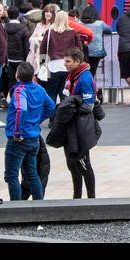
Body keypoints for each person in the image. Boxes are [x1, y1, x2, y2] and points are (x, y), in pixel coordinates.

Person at [49, 47, 102, 198]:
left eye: (68, 61)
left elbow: (88, 105)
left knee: (84, 164)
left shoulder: (84, 78)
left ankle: (91, 198)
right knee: (72, 164)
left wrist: (70, 109)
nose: (65, 64)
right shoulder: (72, 75)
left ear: (77, 61)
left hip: (81, 128)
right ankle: (76, 196)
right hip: (71, 126)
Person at [5, 62, 56, 201]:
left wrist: (17, 132)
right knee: (32, 173)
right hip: (33, 137)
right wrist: (38, 120)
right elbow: (51, 105)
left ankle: (16, 207)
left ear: (17, 76)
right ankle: (38, 204)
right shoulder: (39, 89)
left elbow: (22, 109)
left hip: (19, 139)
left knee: (11, 175)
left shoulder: (19, 90)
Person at [41, 9, 85, 103]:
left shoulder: (49, 32)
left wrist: (42, 63)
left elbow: (43, 49)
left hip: (53, 66)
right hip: (69, 66)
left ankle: (52, 116)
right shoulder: (73, 32)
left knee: (51, 93)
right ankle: (65, 115)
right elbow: (79, 49)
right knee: (65, 94)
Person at [79, 5, 113, 99]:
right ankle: (95, 92)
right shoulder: (99, 23)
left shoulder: (79, 23)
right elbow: (109, 30)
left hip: (82, 52)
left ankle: (91, 92)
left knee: (84, 73)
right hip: (96, 52)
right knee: (92, 73)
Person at [2, 7, 30, 103]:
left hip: (8, 59)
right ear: (18, 16)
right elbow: (26, 46)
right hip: (20, 58)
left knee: (10, 81)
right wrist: (27, 59)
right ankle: (20, 99)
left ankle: (12, 99)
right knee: (22, 80)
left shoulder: (4, 27)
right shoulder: (24, 29)